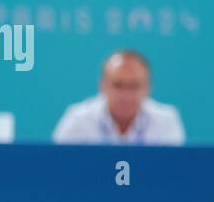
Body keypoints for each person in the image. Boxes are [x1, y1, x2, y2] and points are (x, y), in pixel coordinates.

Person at [52, 50, 185, 144]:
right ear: (102, 85)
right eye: (118, 85)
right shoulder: (78, 120)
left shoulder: (166, 121)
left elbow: (172, 176)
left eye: (134, 86)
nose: (126, 95)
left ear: (148, 87)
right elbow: (59, 170)